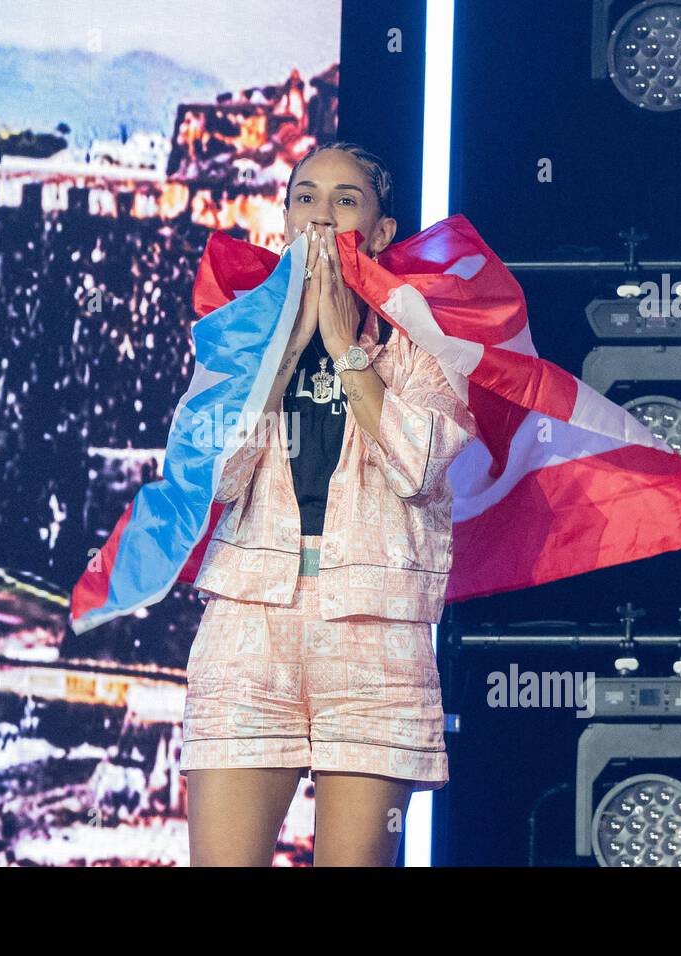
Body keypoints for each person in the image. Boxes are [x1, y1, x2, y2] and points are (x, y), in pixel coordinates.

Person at [181, 142, 479, 866]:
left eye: (345, 200)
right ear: (283, 217)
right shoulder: (239, 341)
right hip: (248, 632)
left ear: (380, 232)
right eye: (305, 196)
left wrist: (345, 342)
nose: (321, 214)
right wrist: (286, 351)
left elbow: (417, 464)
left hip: (375, 636)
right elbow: (212, 474)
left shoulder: (427, 344)